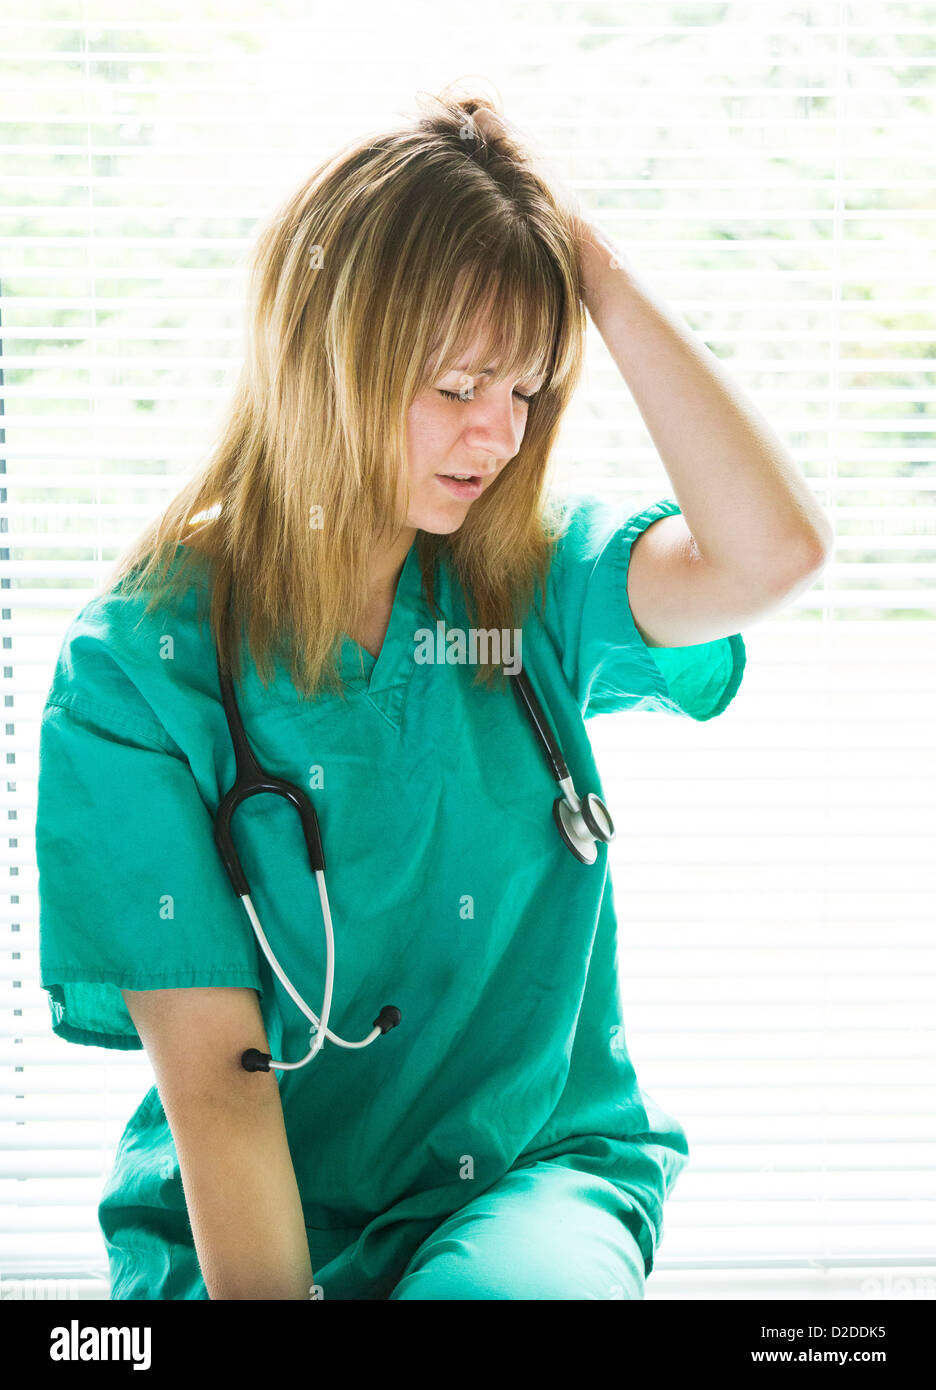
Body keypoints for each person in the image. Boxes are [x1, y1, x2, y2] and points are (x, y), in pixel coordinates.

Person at [34, 88, 750, 1301]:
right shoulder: (138, 670)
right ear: (331, 353)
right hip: (259, 1208)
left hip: (528, 1181)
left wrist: (589, 269)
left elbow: (768, 553)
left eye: (526, 389)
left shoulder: (534, 580)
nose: (500, 435)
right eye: (461, 383)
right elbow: (217, 1077)